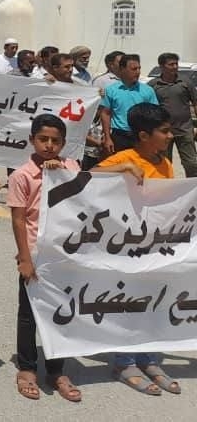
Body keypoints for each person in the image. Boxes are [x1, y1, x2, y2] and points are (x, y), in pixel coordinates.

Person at [95, 103, 180, 395]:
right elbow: (84, 182)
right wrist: (121, 168)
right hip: (124, 248)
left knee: (153, 302)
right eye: (165, 131)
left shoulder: (164, 163)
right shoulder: (123, 158)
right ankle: (124, 362)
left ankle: (148, 357)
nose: (170, 137)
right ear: (144, 135)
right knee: (127, 304)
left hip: (155, 247)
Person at [8, 114, 82, 403]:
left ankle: (57, 369)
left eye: (56, 141)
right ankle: (27, 369)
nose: (49, 146)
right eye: (43, 139)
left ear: (63, 143)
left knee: (61, 312)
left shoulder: (71, 167)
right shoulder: (22, 175)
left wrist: (60, 173)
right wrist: (24, 259)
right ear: (32, 140)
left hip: (65, 256)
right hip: (36, 256)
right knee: (28, 316)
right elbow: (17, 220)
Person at [148, 52, 197, 178]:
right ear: (162, 66)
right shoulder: (153, 85)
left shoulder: (185, 82)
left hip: (185, 129)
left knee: (191, 163)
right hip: (163, 132)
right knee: (164, 162)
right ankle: (167, 190)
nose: (175, 66)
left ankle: (192, 190)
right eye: (171, 64)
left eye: (176, 64)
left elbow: (195, 103)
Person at [99, 53, 158, 154]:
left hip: (141, 137)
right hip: (119, 136)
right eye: (134, 69)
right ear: (122, 69)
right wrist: (107, 138)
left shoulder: (148, 91)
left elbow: (155, 114)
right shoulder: (111, 90)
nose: (138, 72)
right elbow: (105, 113)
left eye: (139, 68)